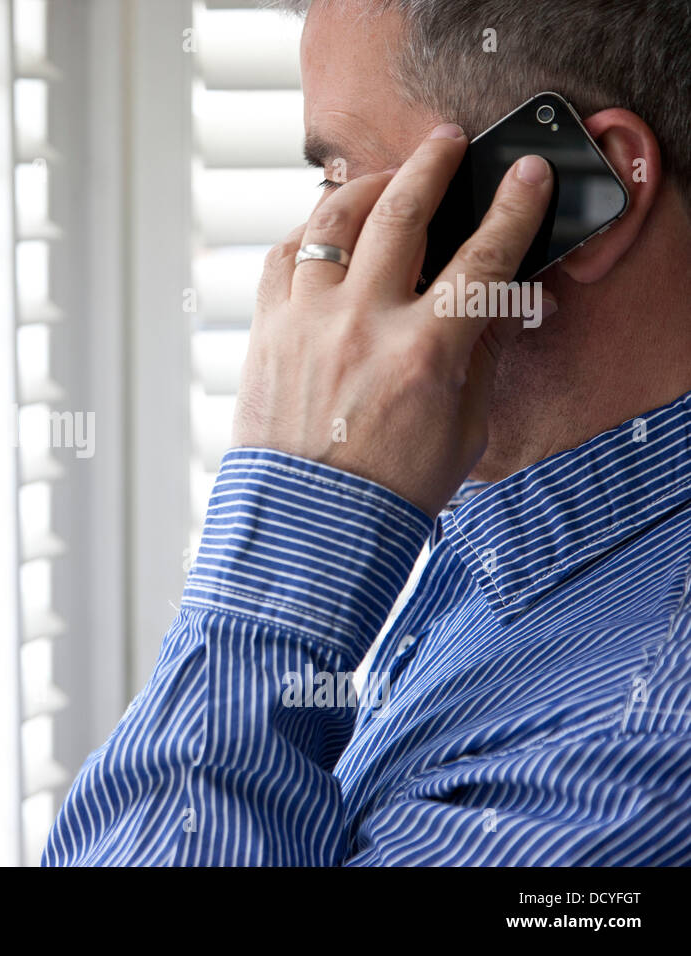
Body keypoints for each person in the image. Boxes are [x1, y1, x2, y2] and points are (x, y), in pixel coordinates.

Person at [43, 0, 691, 865]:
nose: (304, 255)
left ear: (576, 186)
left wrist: (289, 515)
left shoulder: (621, 766)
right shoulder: (517, 538)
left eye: (341, 175)